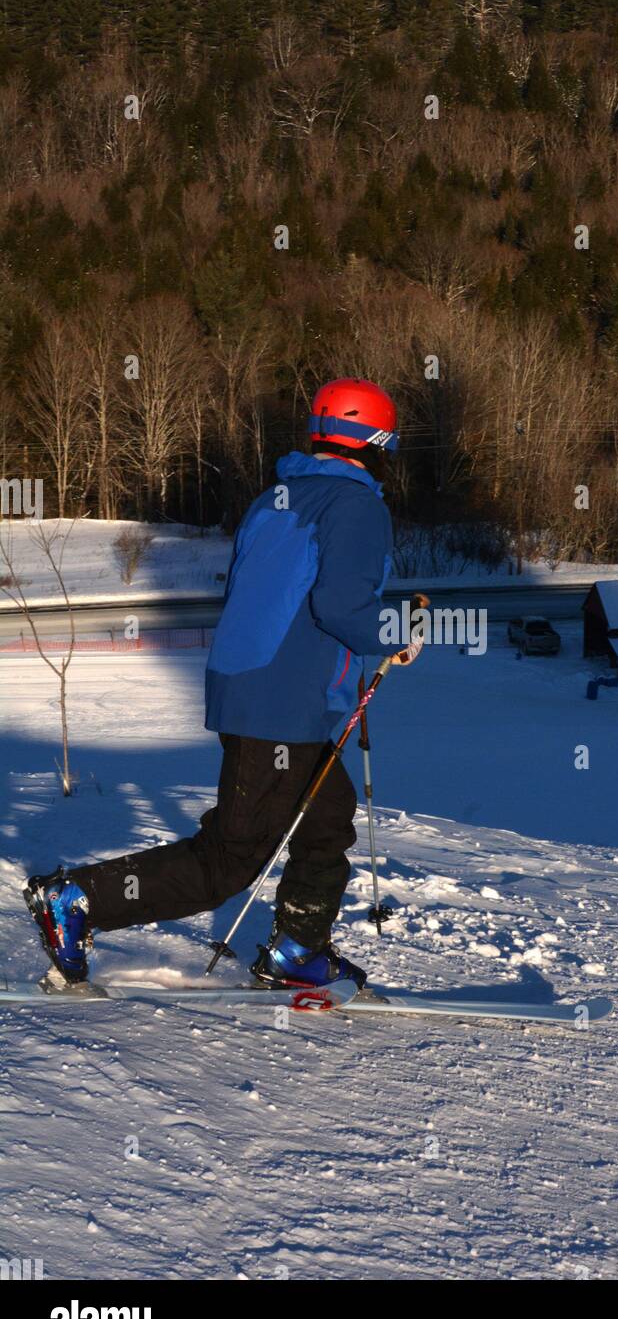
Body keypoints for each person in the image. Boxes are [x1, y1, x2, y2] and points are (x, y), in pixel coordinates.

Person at [26, 378, 420, 990]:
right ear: (376, 442)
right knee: (231, 859)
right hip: (283, 705)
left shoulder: (276, 498)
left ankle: (298, 949)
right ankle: (76, 901)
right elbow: (342, 608)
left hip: (260, 690)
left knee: (327, 815)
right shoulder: (356, 505)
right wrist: (399, 630)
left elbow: (265, 597)